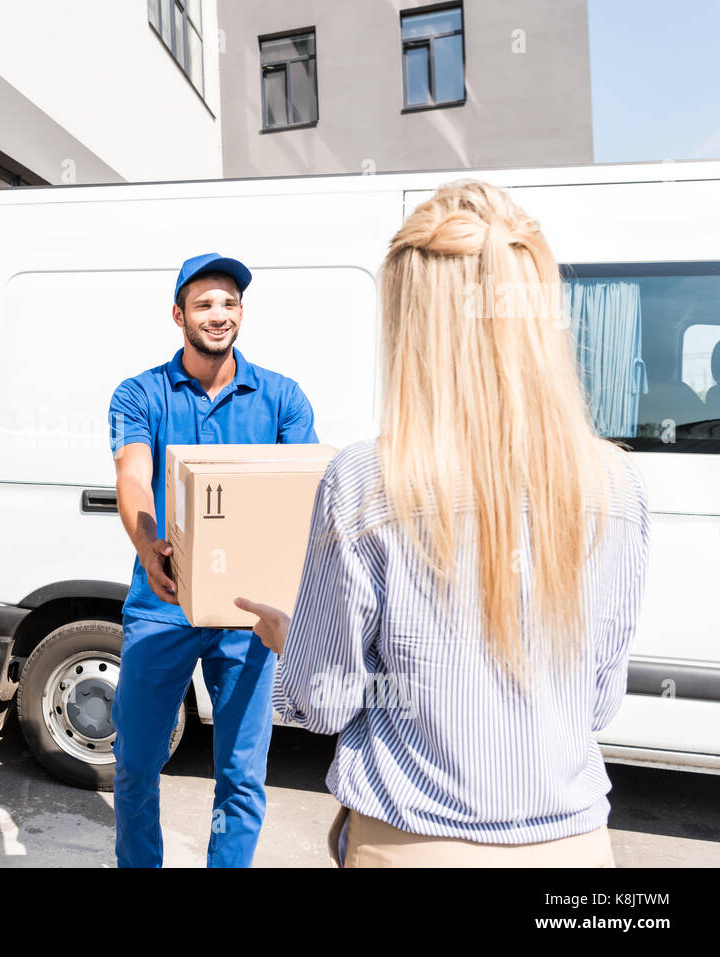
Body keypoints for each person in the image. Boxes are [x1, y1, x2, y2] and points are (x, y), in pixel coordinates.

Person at [235, 180, 651, 867]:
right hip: (577, 851)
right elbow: (599, 702)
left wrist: (291, 637)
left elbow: (325, 699)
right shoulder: (615, 482)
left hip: (419, 844)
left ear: (412, 321)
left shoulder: (369, 478)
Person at [108, 252, 318, 868]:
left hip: (247, 614)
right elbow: (133, 476)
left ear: (242, 312)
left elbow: (298, 493)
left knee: (242, 779)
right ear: (179, 315)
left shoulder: (283, 399)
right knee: (135, 768)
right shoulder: (141, 393)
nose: (218, 315)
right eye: (203, 303)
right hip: (163, 602)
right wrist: (149, 548)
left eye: (229, 303)